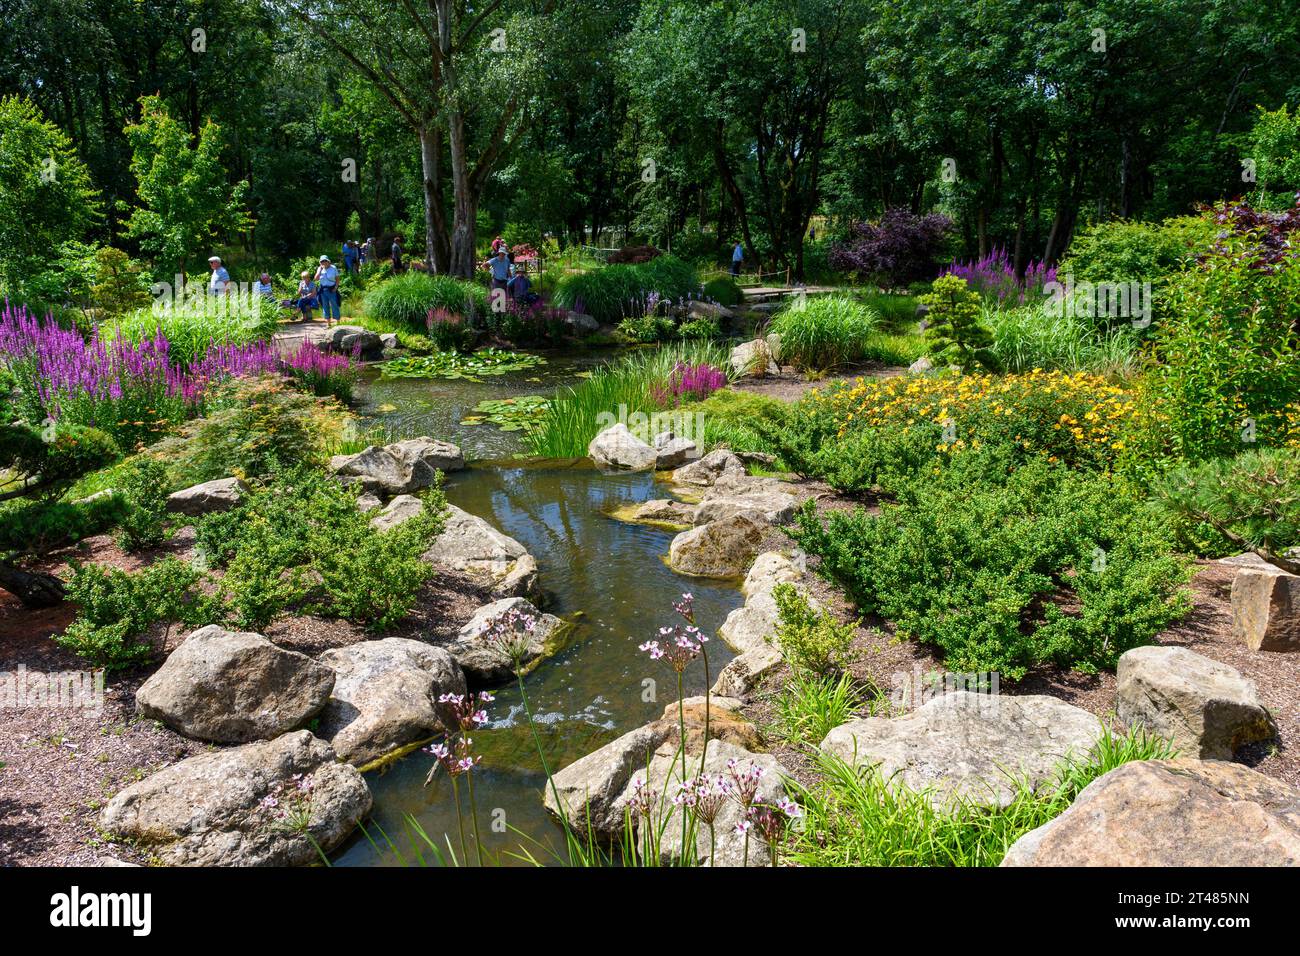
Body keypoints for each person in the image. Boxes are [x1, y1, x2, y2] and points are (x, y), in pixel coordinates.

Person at [315, 254, 340, 326]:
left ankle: (338, 322)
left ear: (328, 261)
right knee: (325, 306)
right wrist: (319, 270)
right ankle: (328, 324)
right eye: (322, 261)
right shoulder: (320, 269)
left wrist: (335, 288)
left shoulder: (333, 268)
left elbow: (337, 279)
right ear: (320, 262)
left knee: (334, 305)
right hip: (323, 290)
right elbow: (316, 279)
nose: (324, 262)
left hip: (332, 289)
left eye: (325, 261)